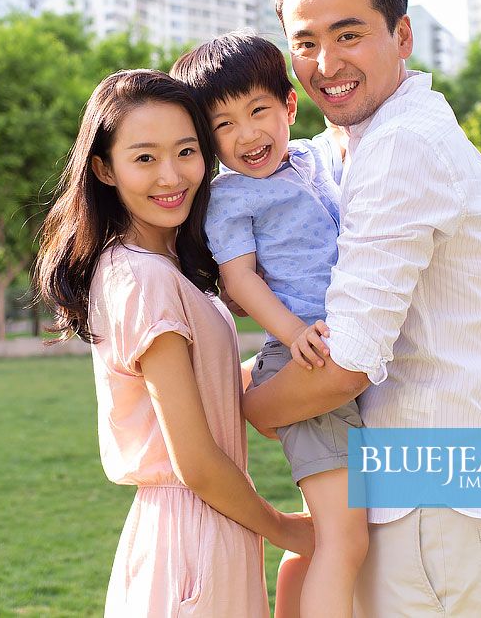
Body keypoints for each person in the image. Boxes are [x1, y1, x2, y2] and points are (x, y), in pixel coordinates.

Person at [242, 0, 481, 616]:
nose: (325, 63)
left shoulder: (403, 147)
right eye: (304, 41)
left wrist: (240, 410)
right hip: (411, 496)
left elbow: (344, 366)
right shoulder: (353, 144)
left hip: (430, 508)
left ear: (400, 34)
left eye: (348, 34)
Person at [34, 69, 314, 617]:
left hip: (206, 531)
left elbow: (205, 395)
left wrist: (299, 358)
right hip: (191, 536)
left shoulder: (166, 271)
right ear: (103, 169)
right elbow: (196, 461)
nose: (171, 176)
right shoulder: (143, 279)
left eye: (186, 151)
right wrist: (287, 529)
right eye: (144, 158)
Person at [171, 32, 368, 618]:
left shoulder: (309, 158)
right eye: (224, 124)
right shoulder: (231, 198)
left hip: (334, 345)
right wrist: (291, 335)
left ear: (289, 105)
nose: (247, 133)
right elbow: (240, 280)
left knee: (327, 532)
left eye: (258, 110)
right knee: (345, 539)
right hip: (305, 356)